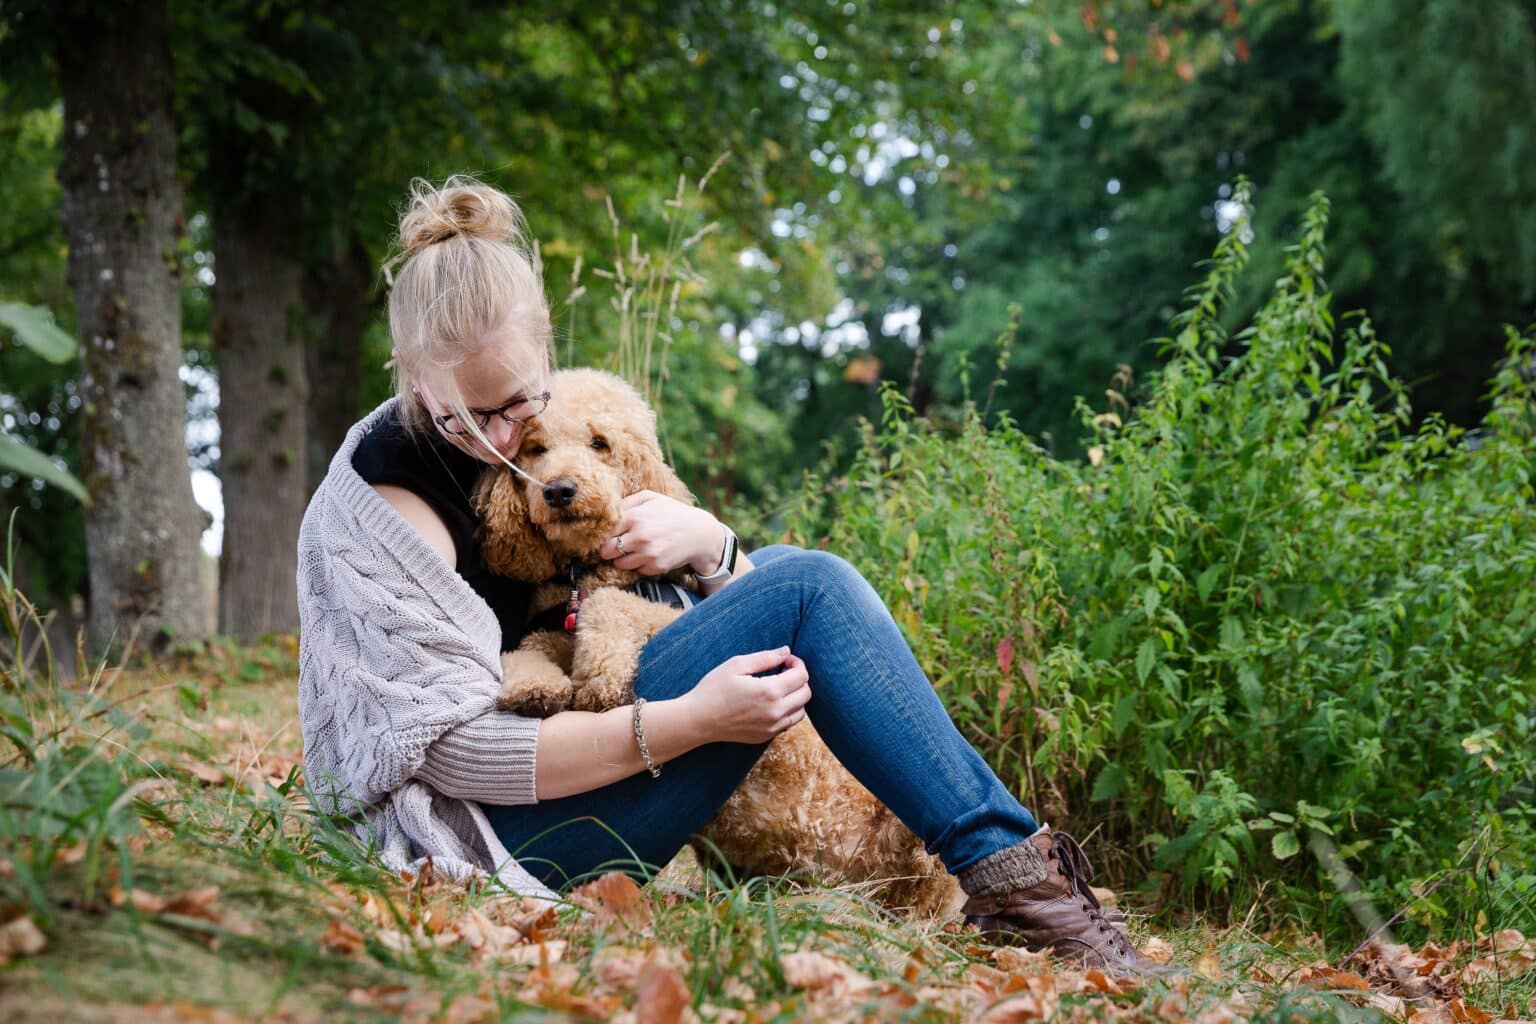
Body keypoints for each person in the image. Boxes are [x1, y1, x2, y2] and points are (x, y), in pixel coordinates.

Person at [296, 176, 1154, 973]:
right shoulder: (389, 503)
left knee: (778, 570)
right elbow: (458, 756)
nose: (498, 435)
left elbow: (697, 599)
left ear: (544, 354)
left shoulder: (550, 437)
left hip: (552, 787)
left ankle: (1006, 879)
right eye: (466, 415)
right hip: (479, 840)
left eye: (519, 401)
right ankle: (1019, 887)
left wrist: (711, 548)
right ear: (411, 378)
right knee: (807, 585)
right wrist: (690, 722)